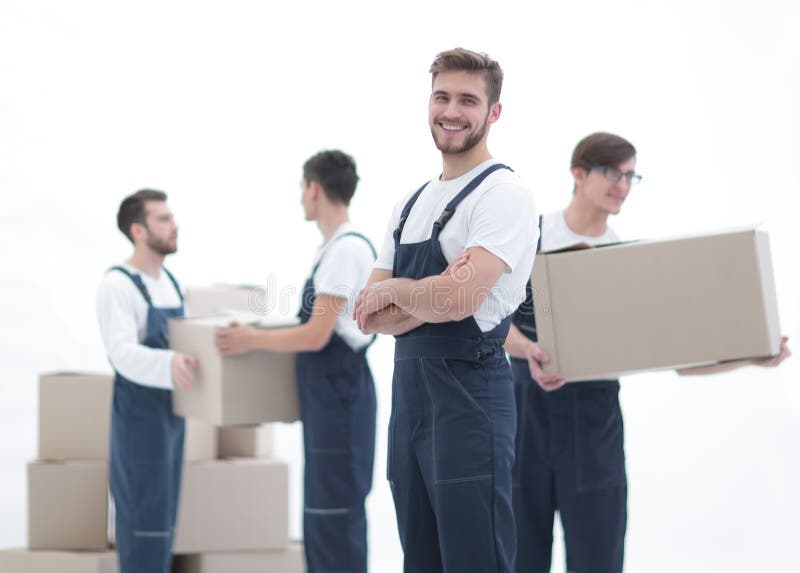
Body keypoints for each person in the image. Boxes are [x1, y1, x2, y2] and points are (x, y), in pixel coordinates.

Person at [505, 132, 793, 573]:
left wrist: (752, 355)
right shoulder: (530, 237)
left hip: (594, 425)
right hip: (527, 416)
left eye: (629, 175)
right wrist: (529, 350)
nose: (621, 185)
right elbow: (488, 320)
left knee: (598, 559)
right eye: (610, 173)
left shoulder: (625, 262)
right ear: (577, 174)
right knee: (520, 557)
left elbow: (677, 360)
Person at [353, 48, 537, 573]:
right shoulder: (408, 204)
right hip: (409, 403)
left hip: (471, 402)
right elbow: (370, 315)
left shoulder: (504, 196)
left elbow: (459, 300)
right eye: (442, 96)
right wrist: (433, 293)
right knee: (422, 559)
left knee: (475, 559)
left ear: (493, 112)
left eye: (468, 100)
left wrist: (414, 293)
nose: (451, 111)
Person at [214, 150, 377, 573]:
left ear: (315, 189)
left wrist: (252, 339)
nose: (302, 198)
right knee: (325, 515)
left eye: (303, 189)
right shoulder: (335, 249)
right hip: (333, 399)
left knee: (333, 516)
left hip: (339, 399)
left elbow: (316, 334)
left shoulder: (344, 252)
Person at [96, 189, 197, 573]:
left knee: (164, 523)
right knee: (142, 524)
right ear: (138, 230)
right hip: (140, 423)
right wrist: (170, 362)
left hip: (171, 420)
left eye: (172, 217)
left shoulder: (169, 281)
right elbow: (120, 354)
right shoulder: (117, 285)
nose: (174, 225)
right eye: (163, 219)